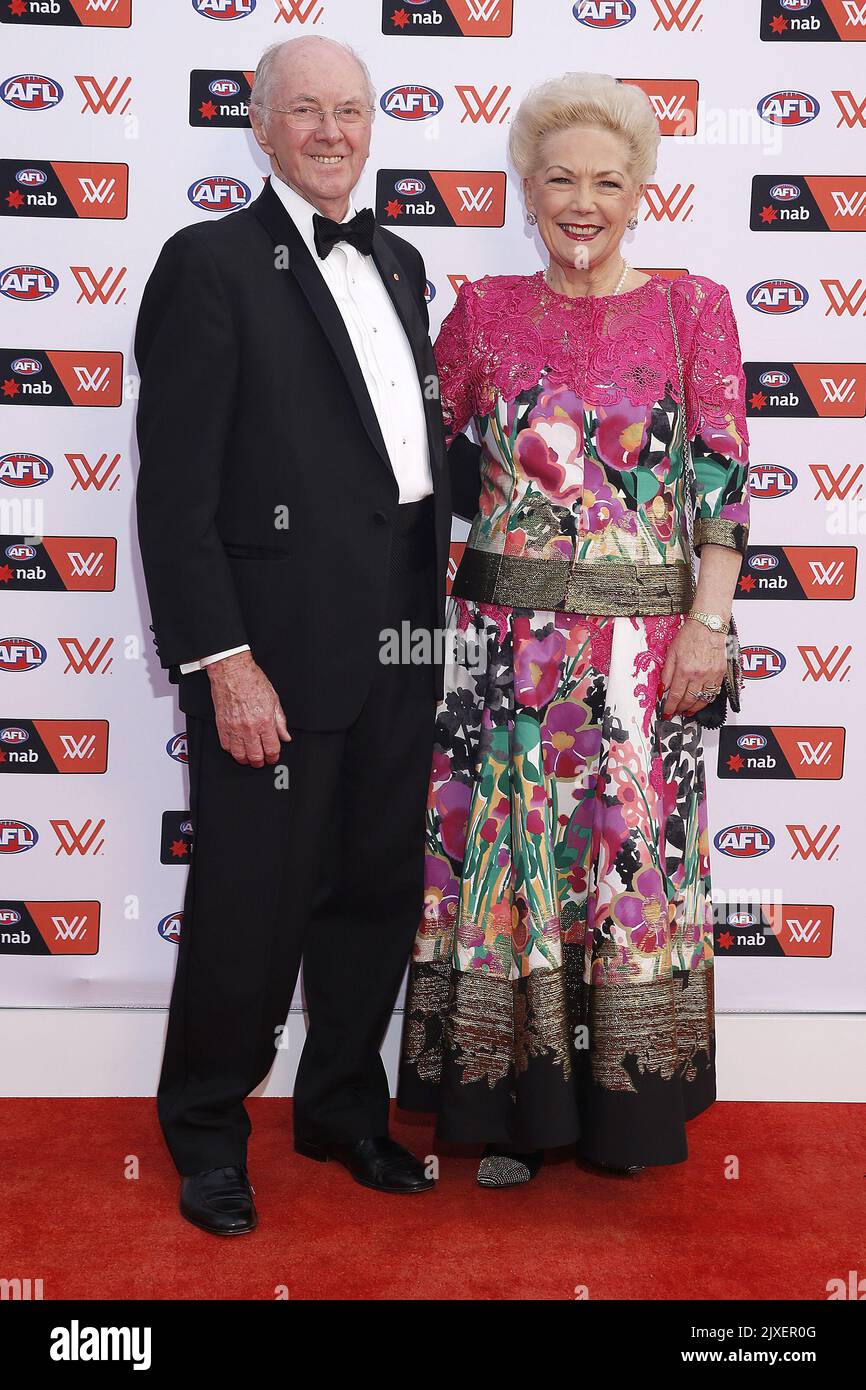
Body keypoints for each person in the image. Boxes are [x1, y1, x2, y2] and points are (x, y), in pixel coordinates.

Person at [397, 71, 751, 1187]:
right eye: (559, 178)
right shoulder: (482, 313)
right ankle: (509, 1112)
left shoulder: (692, 310)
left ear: (642, 190)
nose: (582, 200)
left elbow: (724, 488)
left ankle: (622, 1116)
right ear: (526, 188)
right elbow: (405, 462)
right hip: (501, 660)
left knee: (627, 871)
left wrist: (709, 625)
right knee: (508, 875)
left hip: (645, 663)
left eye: (607, 178)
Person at [135, 35, 452, 1234]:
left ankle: (339, 1111)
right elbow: (174, 498)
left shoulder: (405, 261)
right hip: (270, 652)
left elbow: (399, 467)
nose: (331, 131)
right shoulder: (207, 265)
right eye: (303, 110)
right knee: (247, 902)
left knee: (373, 892)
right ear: (257, 128)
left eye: (351, 110)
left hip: (403, 643)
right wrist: (223, 659)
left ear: (374, 126)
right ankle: (209, 1132)